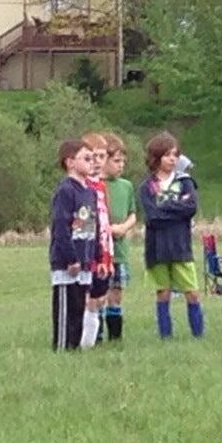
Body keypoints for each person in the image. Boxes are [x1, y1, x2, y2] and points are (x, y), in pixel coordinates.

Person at [139, 132, 204, 340]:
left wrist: (166, 206)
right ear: (156, 157)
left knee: (192, 292)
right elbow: (153, 216)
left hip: (181, 245)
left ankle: (198, 335)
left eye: (175, 155)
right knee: (163, 292)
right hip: (157, 247)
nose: (172, 159)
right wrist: (176, 209)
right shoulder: (146, 187)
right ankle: (165, 336)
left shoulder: (185, 182)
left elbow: (191, 207)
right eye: (167, 155)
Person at [50, 138, 102, 351]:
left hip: (86, 258)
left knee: (80, 306)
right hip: (68, 262)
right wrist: (70, 258)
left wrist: (94, 255)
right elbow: (61, 227)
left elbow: (93, 225)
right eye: (86, 158)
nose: (92, 162)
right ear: (70, 162)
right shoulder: (65, 190)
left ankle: (75, 347)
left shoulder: (89, 192)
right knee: (66, 307)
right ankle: (62, 348)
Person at [103, 132, 138, 340]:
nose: (121, 165)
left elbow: (133, 213)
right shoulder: (96, 185)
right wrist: (108, 229)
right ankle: (95, 334)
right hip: (101, 250)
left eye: (123, 161)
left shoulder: (126, 186)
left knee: (116, 293)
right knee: (98, 293)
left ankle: (115, 336)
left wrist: (124, 227)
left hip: (120, 250)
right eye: (116, 161)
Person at [80, 132, 114, 349]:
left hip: (104, 246)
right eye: (93, 157)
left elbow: (105, 218)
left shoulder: (102, 186)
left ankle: (92, 340)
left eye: (102, 157)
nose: (98, 162)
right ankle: (83, 342)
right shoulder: (83, 187)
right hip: (89, 249)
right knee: (86, 297)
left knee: (100, 297)